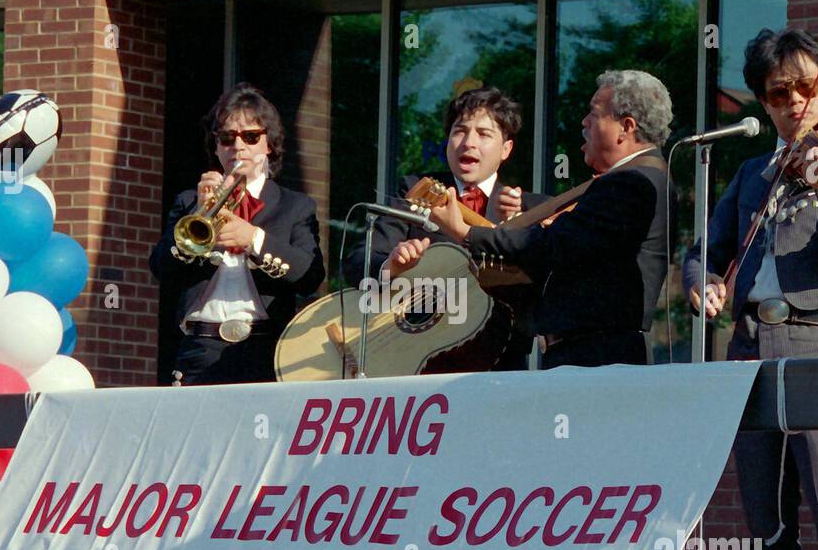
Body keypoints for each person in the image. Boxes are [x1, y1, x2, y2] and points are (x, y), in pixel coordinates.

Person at [682, 27, 818, 550]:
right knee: (764, 526)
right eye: (777, 93)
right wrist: (703, 282)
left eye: (804, 87)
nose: (794, 102)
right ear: (764, 103)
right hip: (747, 348)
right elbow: (705, 250)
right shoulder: (753, 173)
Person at [427, 69, 676, 369]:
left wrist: (465, 231)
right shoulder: (637, 179)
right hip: (590, 353)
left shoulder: (630, 183)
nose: (584, 122)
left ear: (626, 126)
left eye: (594, 114)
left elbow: (552, 246)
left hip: (596, 358)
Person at [341, 86, 547, 370]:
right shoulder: (417, 191)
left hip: (502, 364)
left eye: (484, 134)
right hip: (421, 361)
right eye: (460, 131)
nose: (468, 143)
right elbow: (358, 262)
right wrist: (391, 267)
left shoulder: (531, 209)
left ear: (506, 149)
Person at [149, 83, 324, 385]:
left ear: (269, 145)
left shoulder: (295, 206)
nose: (238, 146)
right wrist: (198, 216)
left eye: (251, 136)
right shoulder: (189, 201)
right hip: (200, 347)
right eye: (227, 138)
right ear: (216, 147)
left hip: (265, 348)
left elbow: (310, 277)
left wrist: (254, 239)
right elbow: (160, 269)